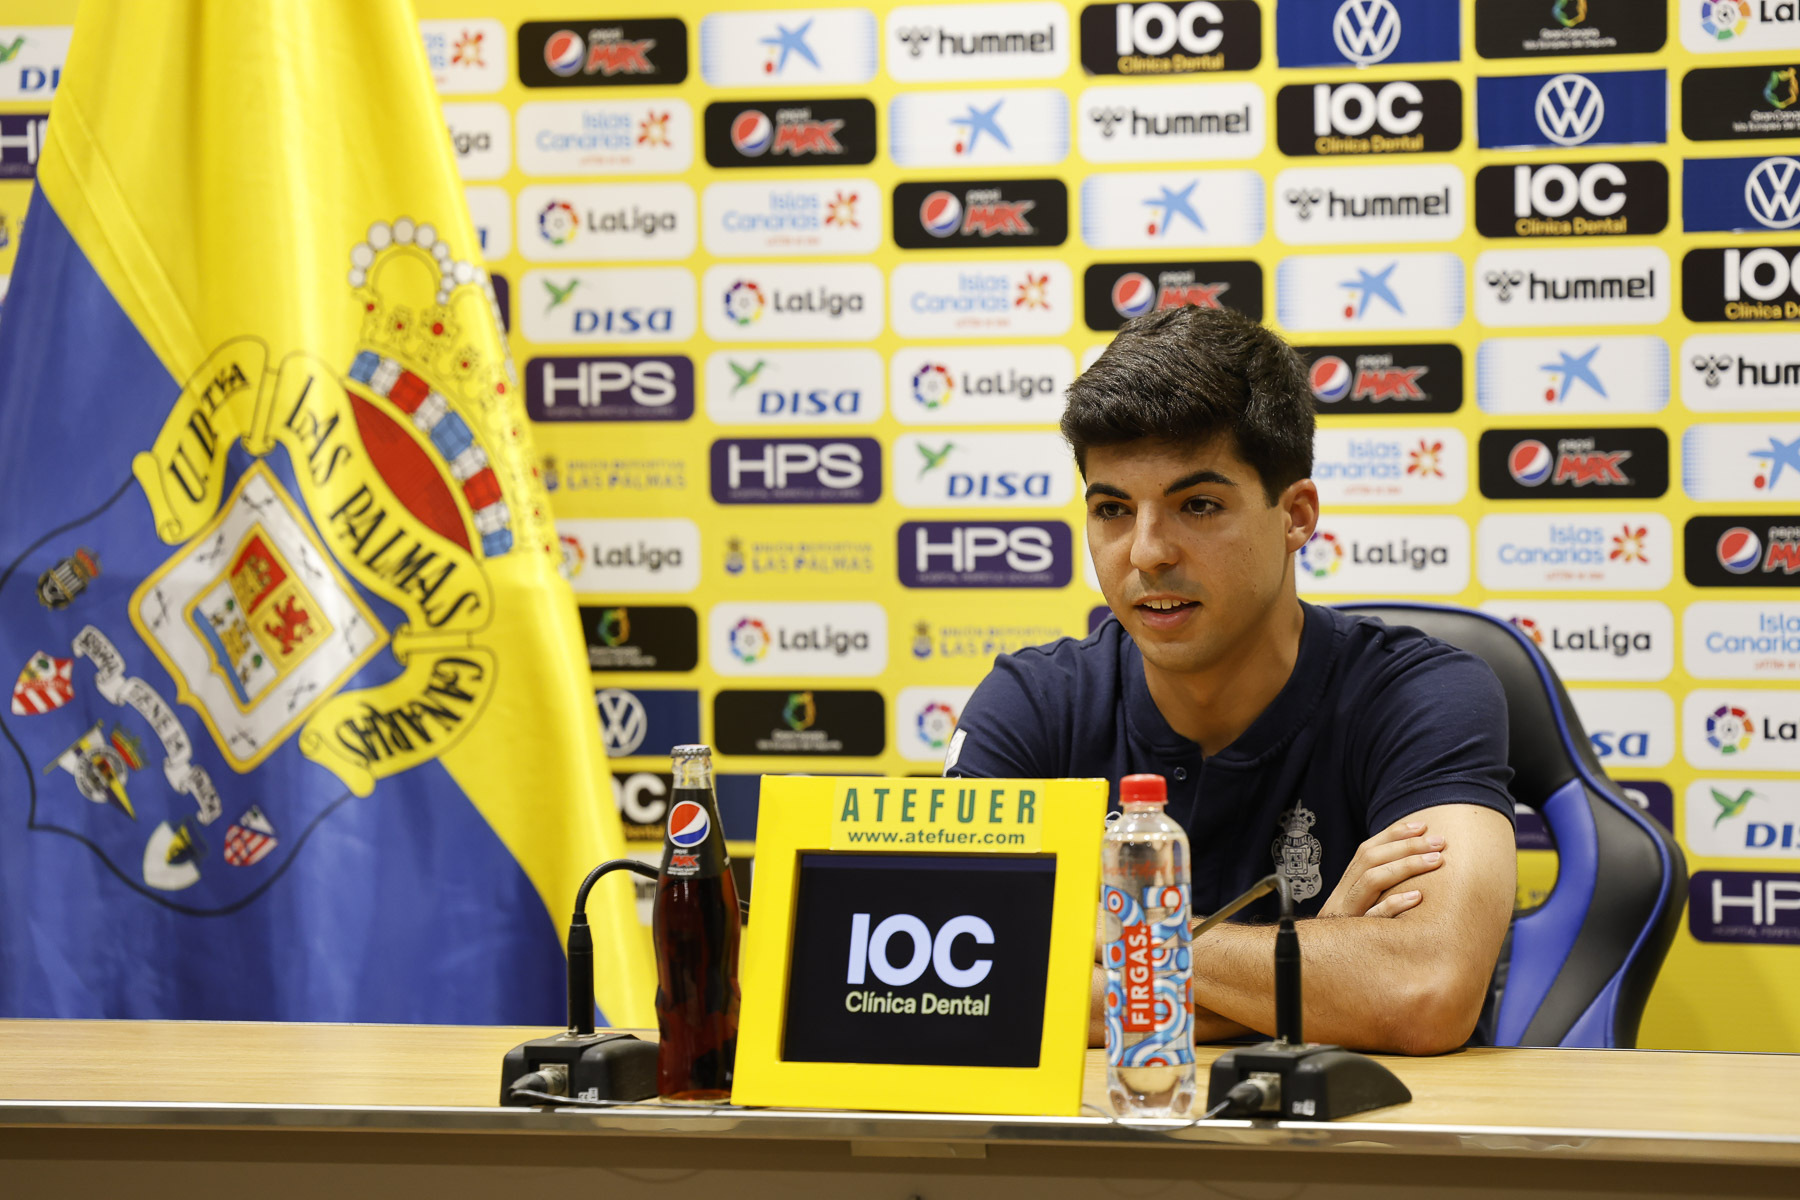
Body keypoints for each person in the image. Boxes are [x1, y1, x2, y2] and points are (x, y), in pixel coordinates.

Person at [944, 305, 1517, 1056]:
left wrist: (1110, 924)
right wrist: (1312, 958)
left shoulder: (1425, 695)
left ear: (1296, 515)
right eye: (1113, 509)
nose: (1146, 553)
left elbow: (1422, 993)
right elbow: (963, 986)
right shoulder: (1030, 706)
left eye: (1199, 505)